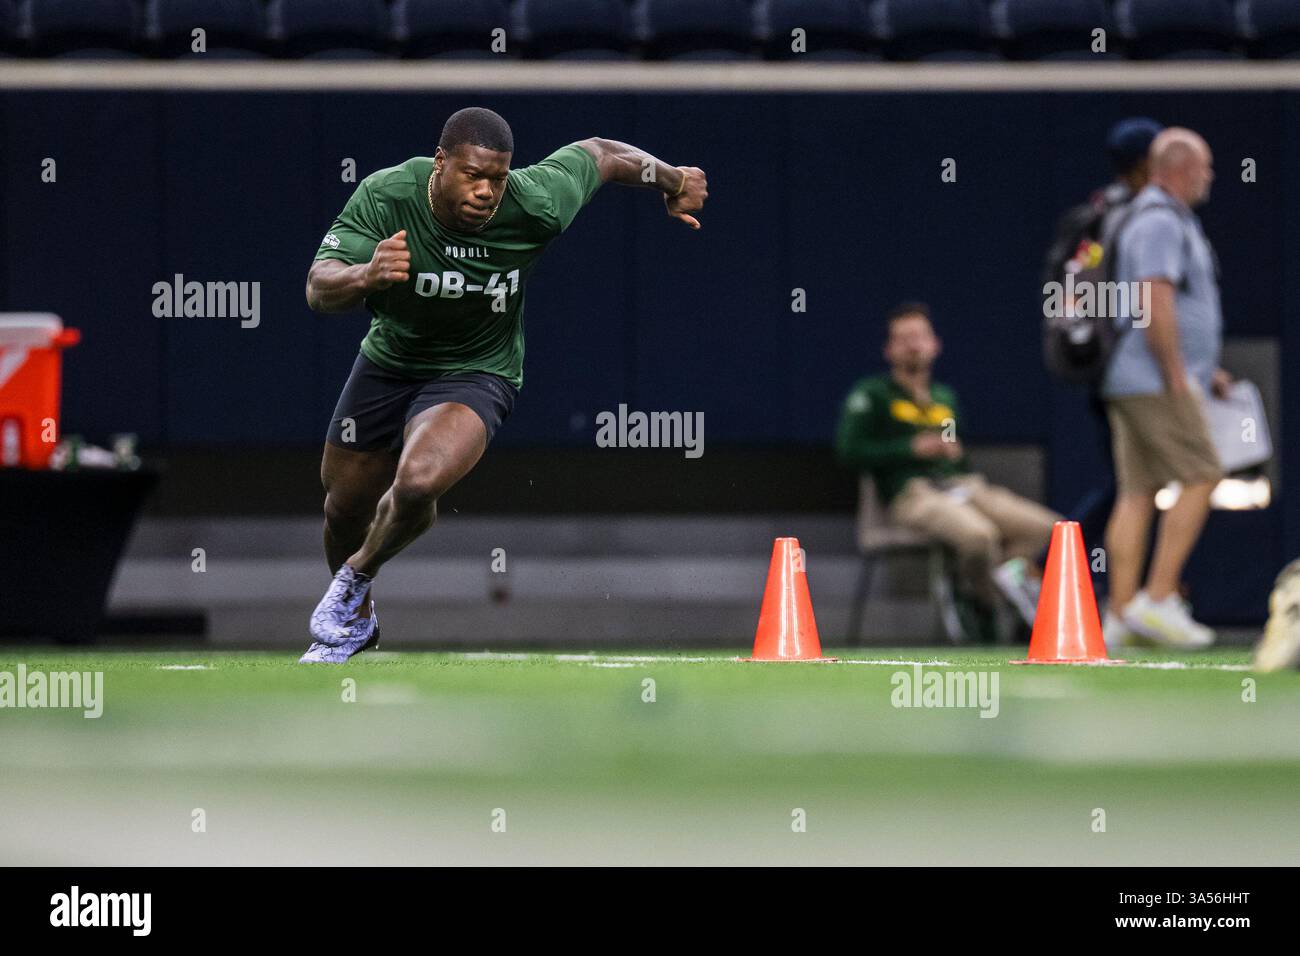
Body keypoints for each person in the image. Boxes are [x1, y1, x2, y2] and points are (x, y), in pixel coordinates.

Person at [301, 107, 708, 663]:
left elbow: (604, 154)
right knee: (343, 508)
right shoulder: (387, 194)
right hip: (389, 362)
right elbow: (318, 289)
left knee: (419, 482)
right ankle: (359, 623)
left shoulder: (535, 200)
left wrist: (675, 179)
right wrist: (364, 275)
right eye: (473, 175)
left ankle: (350, 584)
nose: (487, 191)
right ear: (440, 163)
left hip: (477, 369)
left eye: (497, 178)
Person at [835, 303, 1060, 634]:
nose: (914, 345)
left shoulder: (944, 397)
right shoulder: (871, 395)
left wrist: (951, 452)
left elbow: (956, 450)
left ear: (935, 344)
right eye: (904, 338)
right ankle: (985, 605)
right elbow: (849, 451)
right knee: (979, 536)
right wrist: (909, 448)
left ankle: (987, 586)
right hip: (911, 493)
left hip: (962, 486)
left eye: (920, 336)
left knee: (1047, 528)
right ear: (889, 349)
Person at [1100, 127, 1230, 650]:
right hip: (1156, 378)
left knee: (1136, 492)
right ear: (1179, 169)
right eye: (1206, 167)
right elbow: (1153, 298)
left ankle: (1123, 611)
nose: (1211, 177)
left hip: (1137, 378)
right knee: (1203, 474)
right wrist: (1177, 375)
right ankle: (1159, 598)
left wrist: (1205, 369)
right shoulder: (1157, 221)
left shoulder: (1159, 219)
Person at [1039, 117, 1163, 578]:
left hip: (1116, 369)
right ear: (1144, 163)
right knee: (1134, 483)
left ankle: (1142, 588)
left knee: (1136, 482)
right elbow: (1097, 298)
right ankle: (1047, 569)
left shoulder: (1116, 212)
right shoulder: (1123, 217)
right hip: (1125, 370)